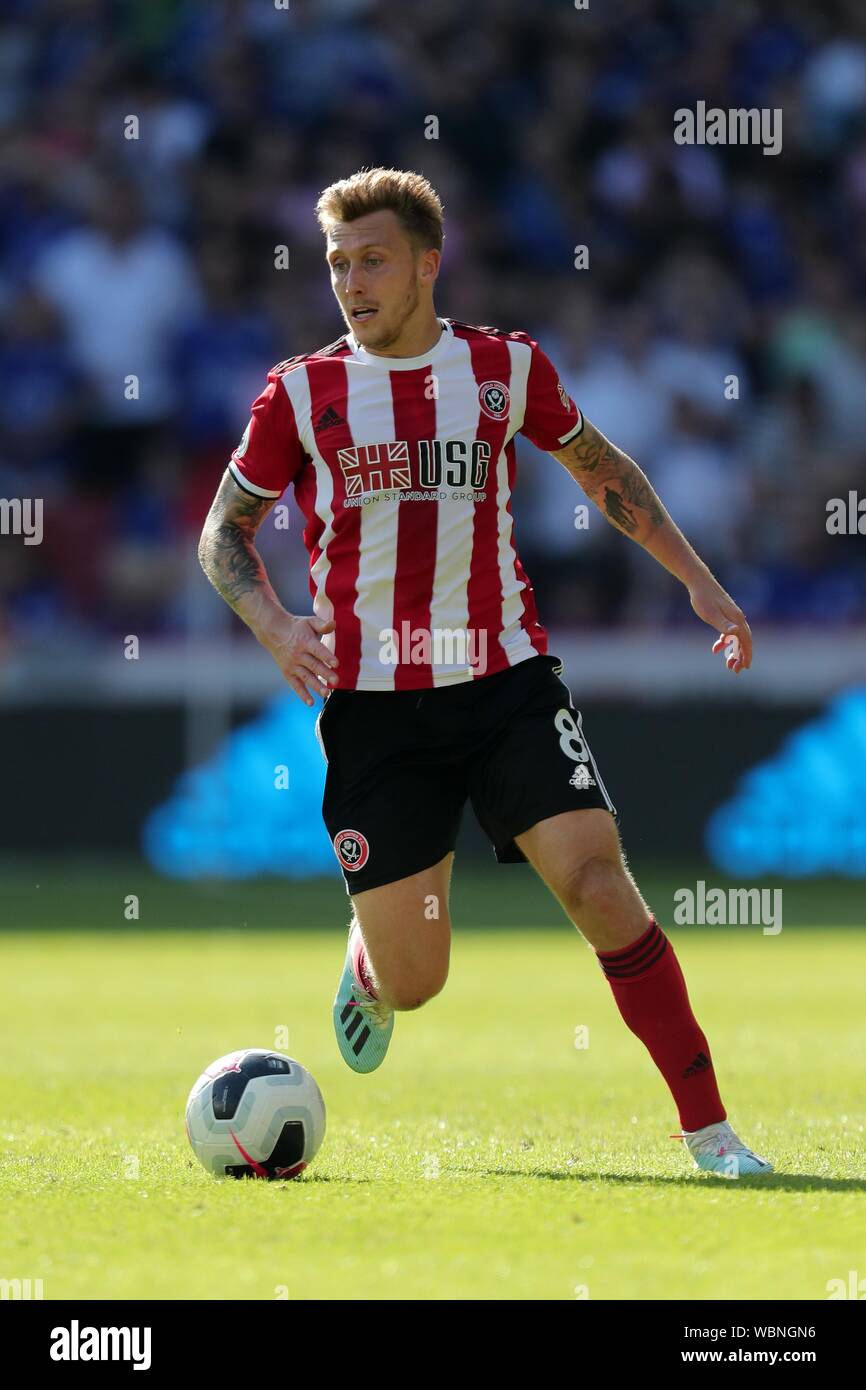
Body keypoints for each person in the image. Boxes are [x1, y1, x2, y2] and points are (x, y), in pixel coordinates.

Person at [198, 167, 772, 1178]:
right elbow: (223, 533)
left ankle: (711, 1134)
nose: (351, 281)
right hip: (375, 711)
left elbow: (603, 469)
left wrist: (699, 583)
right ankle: (371, 958)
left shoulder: (506, 369)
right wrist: (274, 623)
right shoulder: (300, 390)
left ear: (428, 263)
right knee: (418, 982)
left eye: (371, 259)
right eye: (337, 263)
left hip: (506, 680)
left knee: (598, 883)